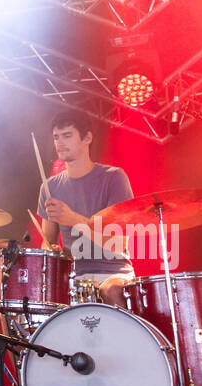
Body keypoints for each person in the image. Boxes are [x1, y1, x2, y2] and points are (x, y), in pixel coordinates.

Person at [38, 109, 134, 307]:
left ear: (87, 138)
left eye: (67, 135)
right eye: (56, 137)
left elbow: (118, 242)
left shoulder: (113, 178)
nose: (59, 143)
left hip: (113, 272)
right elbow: (47, 241)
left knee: (113, 291)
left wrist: (73, 219)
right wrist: (51, 249)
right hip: (73, 277)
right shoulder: (49, 187)